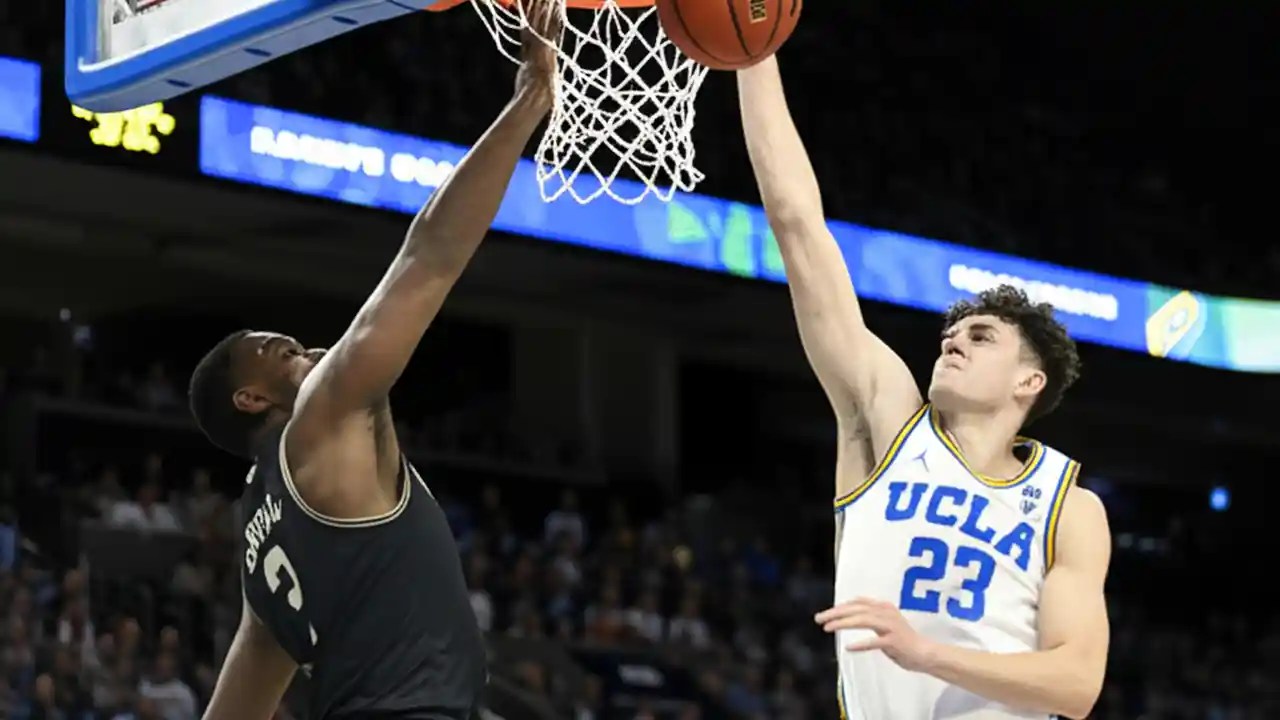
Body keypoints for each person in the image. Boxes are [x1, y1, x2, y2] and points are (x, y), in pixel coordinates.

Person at [185, 4, 559, 717]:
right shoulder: (323, 413)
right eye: (273, 350)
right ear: (251, 399)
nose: (298, 345)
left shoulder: (259, 550)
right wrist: (529, 100)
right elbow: (430, 254)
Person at [737, 56, 1111, 720]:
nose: (953, 340)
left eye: (982, 336)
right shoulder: (885, 421)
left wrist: (926, 652)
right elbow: (798, 225)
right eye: (953, 331)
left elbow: (1076, 684)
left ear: (1030, 380)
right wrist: (752, 53)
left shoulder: (1068, 508)